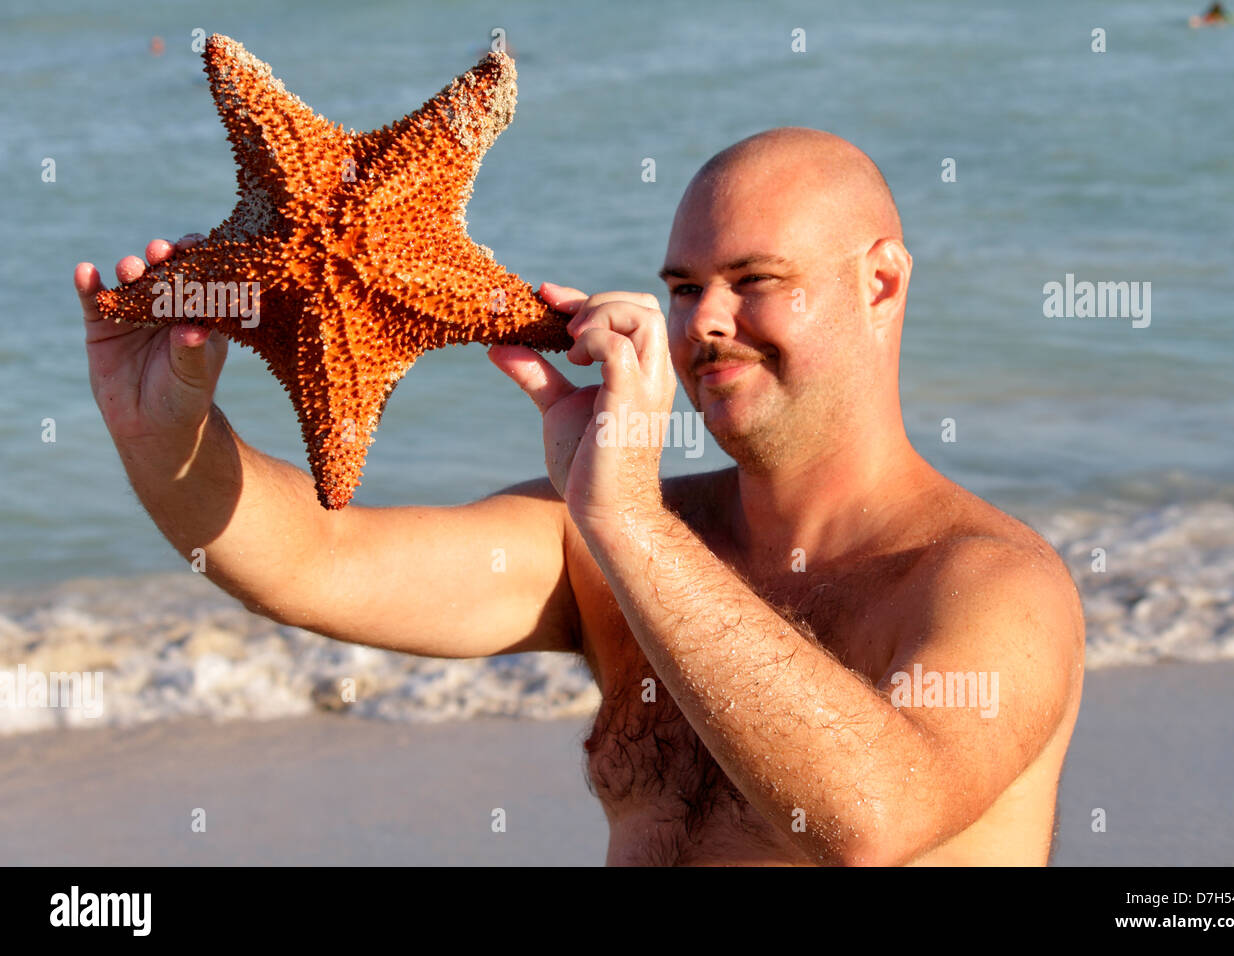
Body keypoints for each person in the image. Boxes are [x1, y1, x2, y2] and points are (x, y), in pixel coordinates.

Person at [74, 127, 1085, 866]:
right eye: (684, 287)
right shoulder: (621, 541)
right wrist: (162, 429)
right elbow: (308, 564)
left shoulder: (992, 586)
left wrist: (624, 515)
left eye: (754, 279)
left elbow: (868, 818)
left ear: (880, 282)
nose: (706, 323)